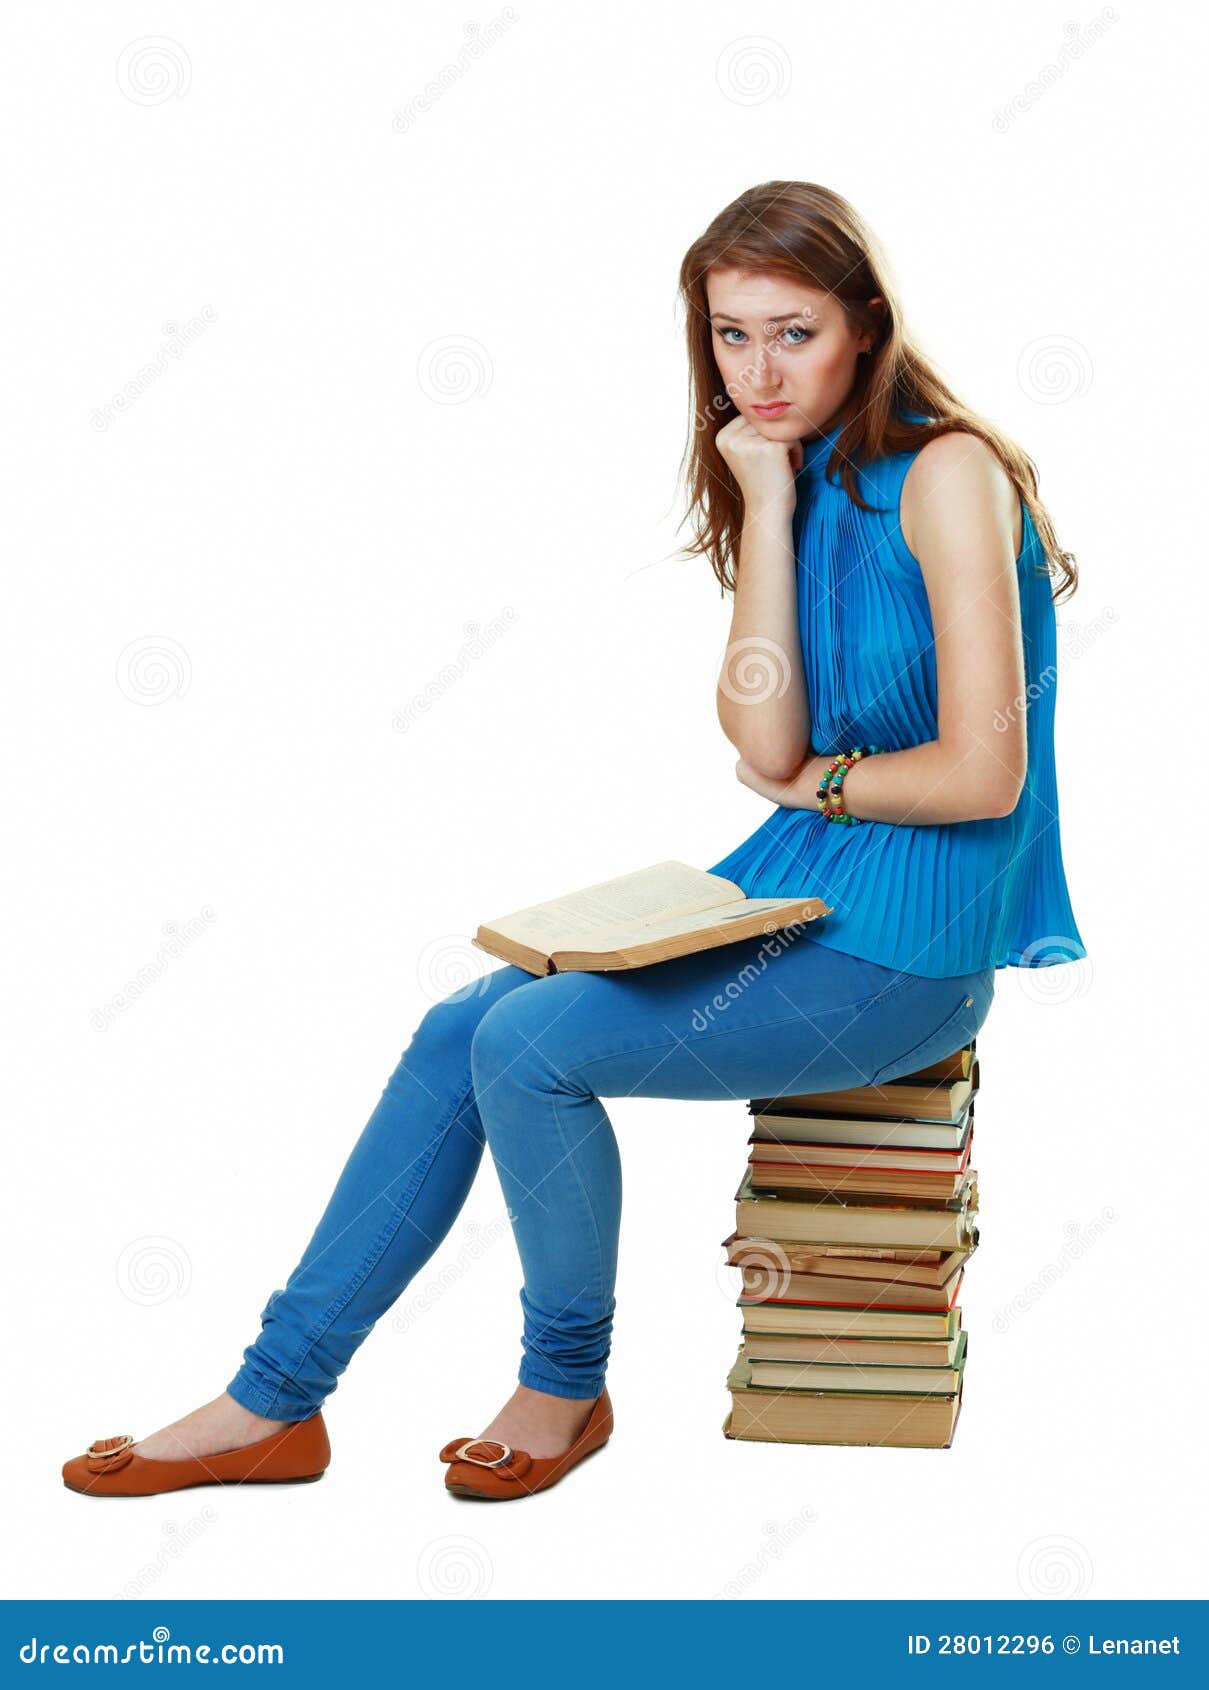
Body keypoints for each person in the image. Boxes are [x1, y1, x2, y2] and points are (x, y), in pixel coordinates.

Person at [61, 179, 1085, 1502]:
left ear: (866, 326)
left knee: (526, 1044)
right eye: (728, 336)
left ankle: (563, 1385)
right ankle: (273, 1399)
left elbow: (981, 772)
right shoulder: (794, 476)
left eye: (792, 333)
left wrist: (817, 783)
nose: (757, 371)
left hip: (906, 953)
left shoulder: (946, 472)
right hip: (788, 903)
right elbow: (762, 747)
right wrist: (764, 511)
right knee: (456, 1025)